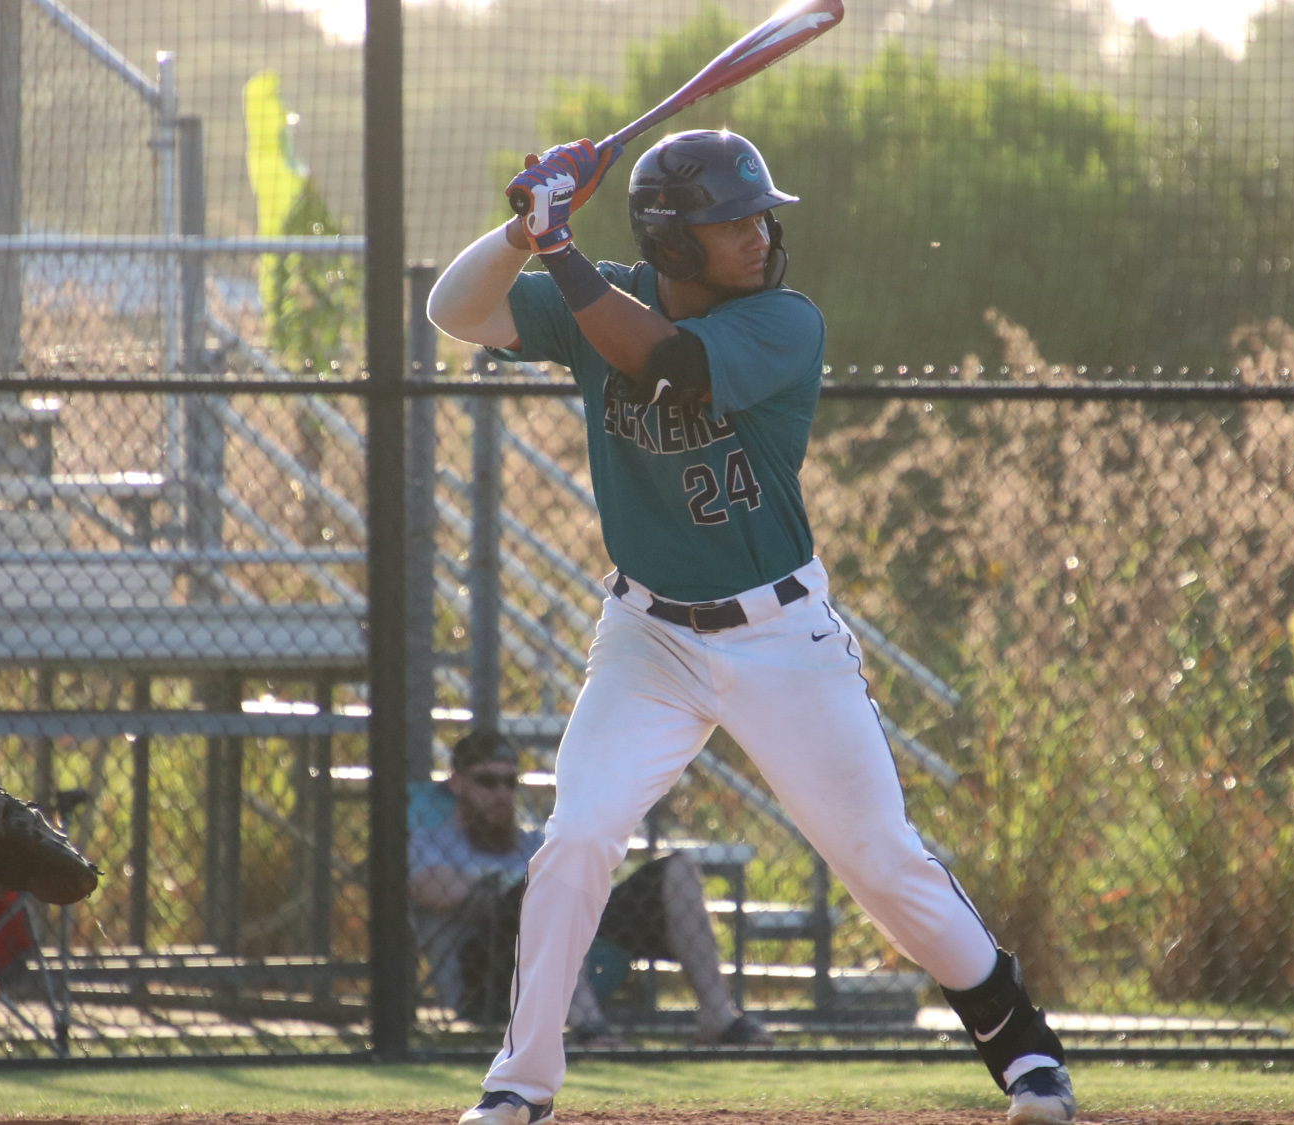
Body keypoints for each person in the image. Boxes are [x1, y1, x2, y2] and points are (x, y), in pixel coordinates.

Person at [427, 129, 1074, 1125]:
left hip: (780, 636)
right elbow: (452, 310)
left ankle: (1020, 1045)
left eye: (758, 217)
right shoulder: (596, 290)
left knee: (879, 861)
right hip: (647, 638)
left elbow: (667, 362)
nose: (758, 236)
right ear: (673, 246)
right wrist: (525, 229)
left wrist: (559, 252)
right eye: (731, 223)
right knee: (575, 837)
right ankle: (518, 1088)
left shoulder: (782, 322)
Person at [411, 729, 771, 1047]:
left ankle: (718, 1016)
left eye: (510, 783)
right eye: (487, 782)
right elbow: (434, 889)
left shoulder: (530, 842)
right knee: (547, 882)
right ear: (457, 784)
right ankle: (587, 1025)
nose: (501, 793)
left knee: (675, 870)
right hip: (489, 979)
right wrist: (529, 888)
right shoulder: (434, 839)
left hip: (575, 952)